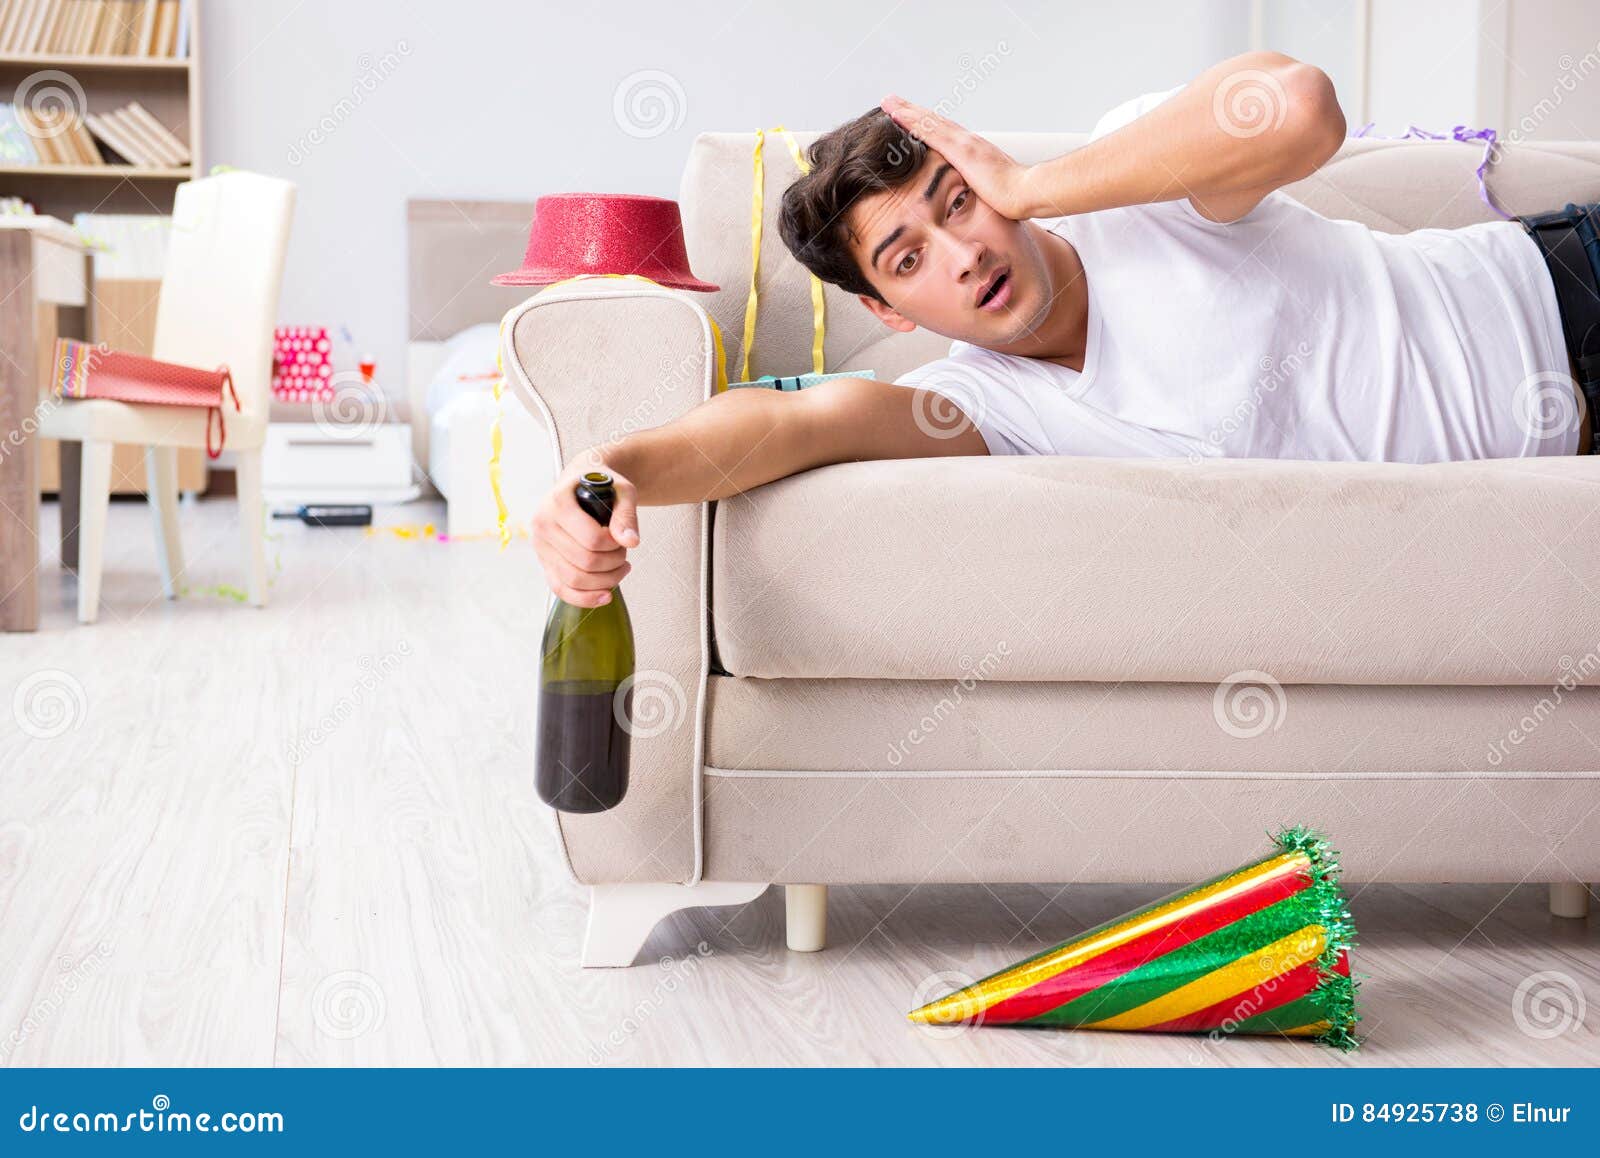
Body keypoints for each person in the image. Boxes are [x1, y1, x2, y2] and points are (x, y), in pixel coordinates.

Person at [531, 51, 1594, 609]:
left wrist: (1038, 183)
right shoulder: (993, 409)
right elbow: (775, 427)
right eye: (908, 259)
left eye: (958, 203)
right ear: (886, 312)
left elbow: (1301, 108)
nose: (963, 253)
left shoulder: (1136, 178)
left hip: (1565, 289)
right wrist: (607, 471)